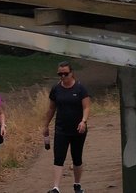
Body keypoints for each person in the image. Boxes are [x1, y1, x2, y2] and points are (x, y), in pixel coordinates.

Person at [43, 61, 91, 193]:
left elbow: (86, 107)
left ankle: (77, 184)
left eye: (65, 74)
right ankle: (56, 188)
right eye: (60, 74)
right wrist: (46, 125)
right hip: (61, 129)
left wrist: (83, 121)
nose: (63, 76)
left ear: (72, 73)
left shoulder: (80, 88)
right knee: (58, 157)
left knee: (77, 157)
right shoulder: (56, 89)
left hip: (78, 129)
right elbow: (51, 108)